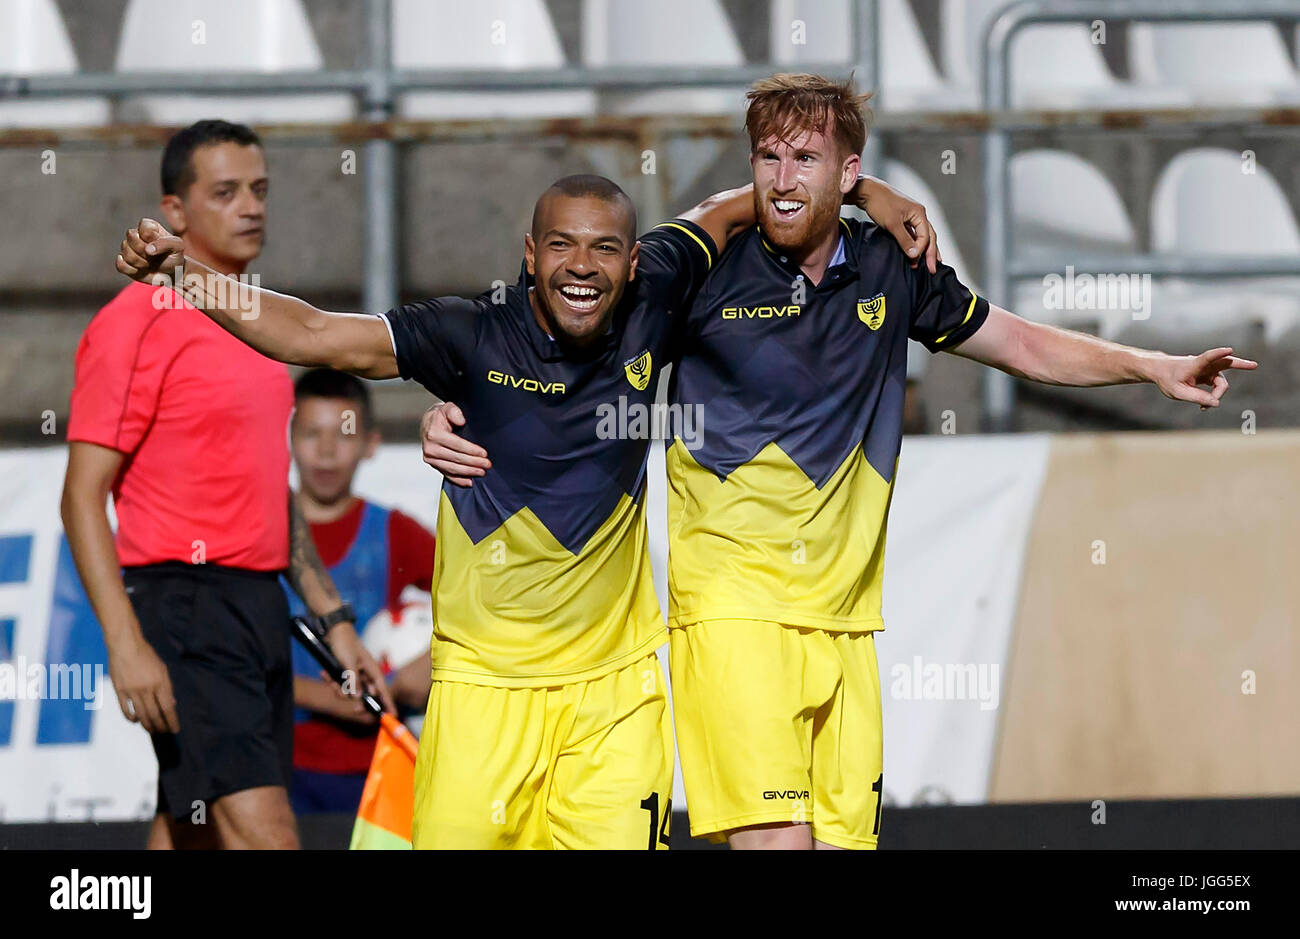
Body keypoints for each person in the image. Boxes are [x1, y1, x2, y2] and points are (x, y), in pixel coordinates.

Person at [421, 73, 1258, 851]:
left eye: (807, 159)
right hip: (733, 614)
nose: (783, 179)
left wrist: (1152, 366)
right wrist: (450, 410)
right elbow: (570, 333)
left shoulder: (893, 265)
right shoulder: (699, 271)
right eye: (769, 158)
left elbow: (1024, 343)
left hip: (846, 620)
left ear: (847, 169)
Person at [110, 168, 935, 848]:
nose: (584, 265)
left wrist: (869, 194)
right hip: (481, 695)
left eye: (605, 247)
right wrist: (186, 274)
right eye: (563, 246)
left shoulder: (659, 288)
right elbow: (316, 333)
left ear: (634, 261)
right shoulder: (470, 333)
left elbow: (735, 206)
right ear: (530, 254)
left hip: (616, 698)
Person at [63, 119, 393, 850]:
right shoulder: (134, 322)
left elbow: (270, 491)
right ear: (174, 212)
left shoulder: (259, 328)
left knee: (193, 825)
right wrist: (125, 642)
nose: (252, 207)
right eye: (226, 192)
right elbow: (81, 495)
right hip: (184, 605)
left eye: (260, 190)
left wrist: (334, 620)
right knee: (266, 833)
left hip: (257, 605)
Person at [285, 368, 436, 815]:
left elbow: (482, 605)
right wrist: (318, 696)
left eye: (343, 434)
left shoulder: (397, 532)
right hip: (278, 767)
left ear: (371, 444)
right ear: (289, 438)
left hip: (380, 768)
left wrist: (435, 663)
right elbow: (228, 657)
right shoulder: (257, 533)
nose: (327, 451)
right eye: (312, 433)